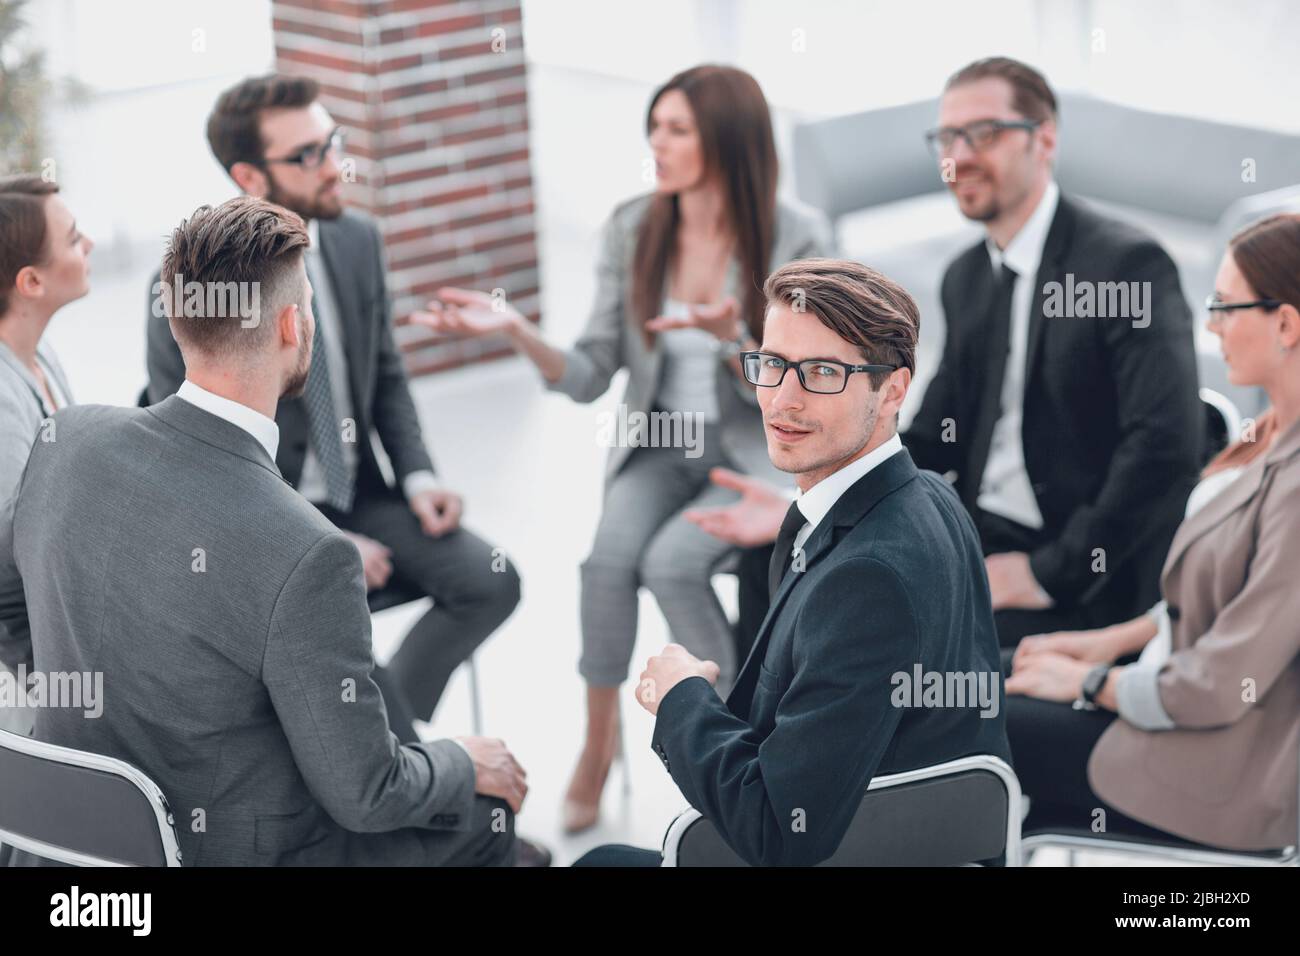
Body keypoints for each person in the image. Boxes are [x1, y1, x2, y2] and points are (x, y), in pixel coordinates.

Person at [0, 196, 541, 866]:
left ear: (176, 318)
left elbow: (7, 604)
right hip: (241, 853)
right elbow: (367, 793)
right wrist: (461, 760)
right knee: (486, 821)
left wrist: (91, 711)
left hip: (71, 838)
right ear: (295, 325)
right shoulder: (309, 551)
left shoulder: (66, 436)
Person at [413, 65, 833, 833]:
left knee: (671, 562)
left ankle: (737, 738)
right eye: (655, 126)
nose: (658, 143)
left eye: (678, 129)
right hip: (656, 444)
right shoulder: (635, 225)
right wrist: (511, 330)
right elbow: (586, 373)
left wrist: (735, 340)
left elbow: (807, 384)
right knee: (606, 562)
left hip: (746, 454)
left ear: (727, 139)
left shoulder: (796, 233)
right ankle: (597, 744)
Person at [711, 56, 1203, 656]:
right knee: (777, 558)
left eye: (984, 134)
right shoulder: (967, 277)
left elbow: (1165, 447)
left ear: (1044, 139)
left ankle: (823, 744)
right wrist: (815, 496)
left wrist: (1048, 572)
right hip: (978, 529)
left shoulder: (1126, 267)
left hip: (1082, 567)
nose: (960, 155)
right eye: (948, 137)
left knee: (878, 634)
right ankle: (761, 744)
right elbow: (932, 434)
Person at [575, 258, 1012, 866]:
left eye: (823, 373)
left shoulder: (867, 580)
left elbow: (778, 833)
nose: (783, 399)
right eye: (773, 364)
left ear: (894, 390)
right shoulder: (933, 496)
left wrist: (681, 699)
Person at [144, 74, 520, 739]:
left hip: (363, 491)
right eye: (308, 155)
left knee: (491, 581)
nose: (335, 165)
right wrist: (326, 541)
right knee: (334, 633)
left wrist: (420, 477)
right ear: (249, 175)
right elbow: (197, 461)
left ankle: (384, 736)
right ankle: (393, 763)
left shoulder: (355, 240)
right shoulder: (195, 287)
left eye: (333, 142)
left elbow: (387, 373)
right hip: (264, 517)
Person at [1004, 212, 1300, 852]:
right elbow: (1201, 608)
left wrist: (1091, 684)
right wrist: (1099, 644)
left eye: (1225, 305)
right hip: (1170, 705)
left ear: (1286, 323)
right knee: (981, 676)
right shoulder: (1265, 435)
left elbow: (1224, 684)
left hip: (1217, 763)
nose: (1212, 325)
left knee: (961, 717)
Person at [0, 175, 91, 736]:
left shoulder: (38, 350)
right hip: (31, 649)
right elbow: (16, 545)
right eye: (75, 238)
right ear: (31, 281)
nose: (90, 245)